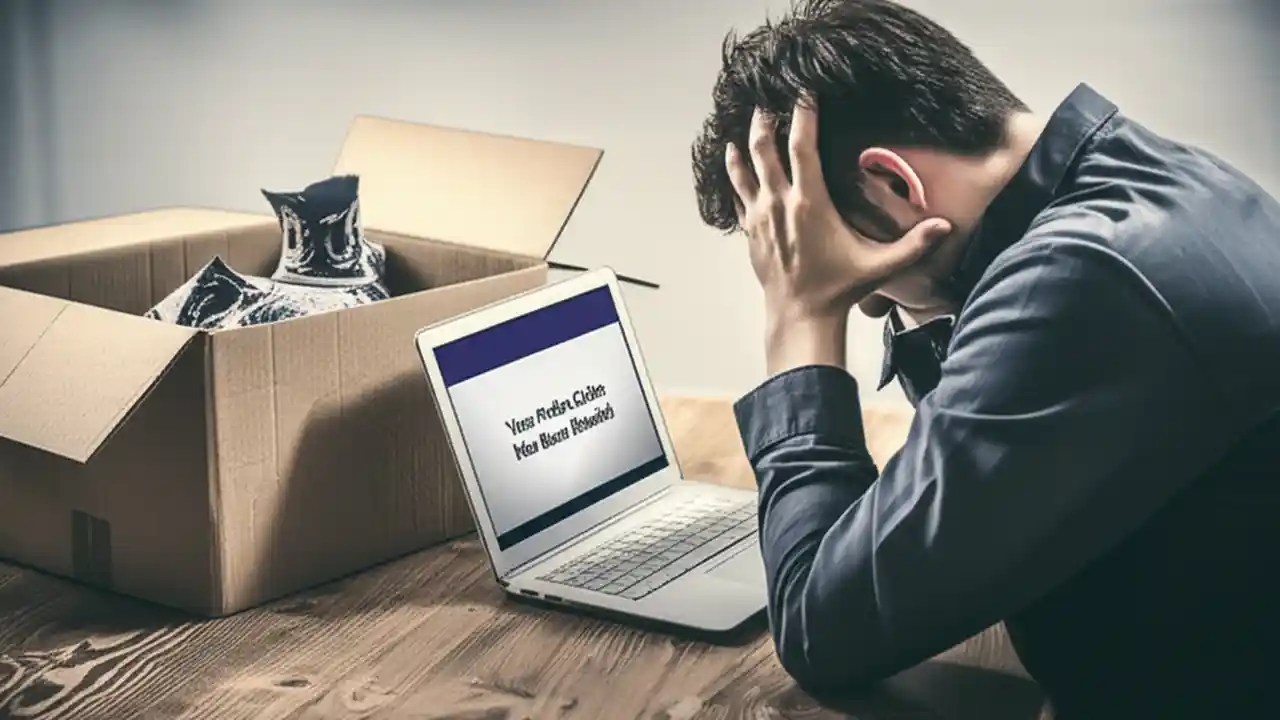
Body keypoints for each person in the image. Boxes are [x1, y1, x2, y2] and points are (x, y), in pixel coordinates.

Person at [689, 1, 1279, 717]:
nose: (869, 305)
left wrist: (802, 316)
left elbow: (824, 627)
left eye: (855, 279)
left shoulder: (1078, 278)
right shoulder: (1156, 182)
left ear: (894, 185)